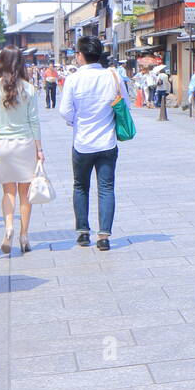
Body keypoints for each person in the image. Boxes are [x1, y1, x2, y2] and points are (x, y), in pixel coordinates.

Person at [0, 45, 43, 255]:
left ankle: (8, 226)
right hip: (25, 143)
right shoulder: (29, 88)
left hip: (3, 145)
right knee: (25, 194)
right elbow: (34, 121)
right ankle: (24, 235)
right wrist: (39, 149)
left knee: (8, 191)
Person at [60, 36, 119, 251]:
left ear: (80, 55)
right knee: (106, 187)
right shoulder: (112, 75)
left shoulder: (74, 79)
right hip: (107, 141)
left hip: (82, 142)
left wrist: (75, 121)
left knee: (80, 185)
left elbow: (65, 111)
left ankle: (83, 233)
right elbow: (125, 105)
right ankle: (104, 236)